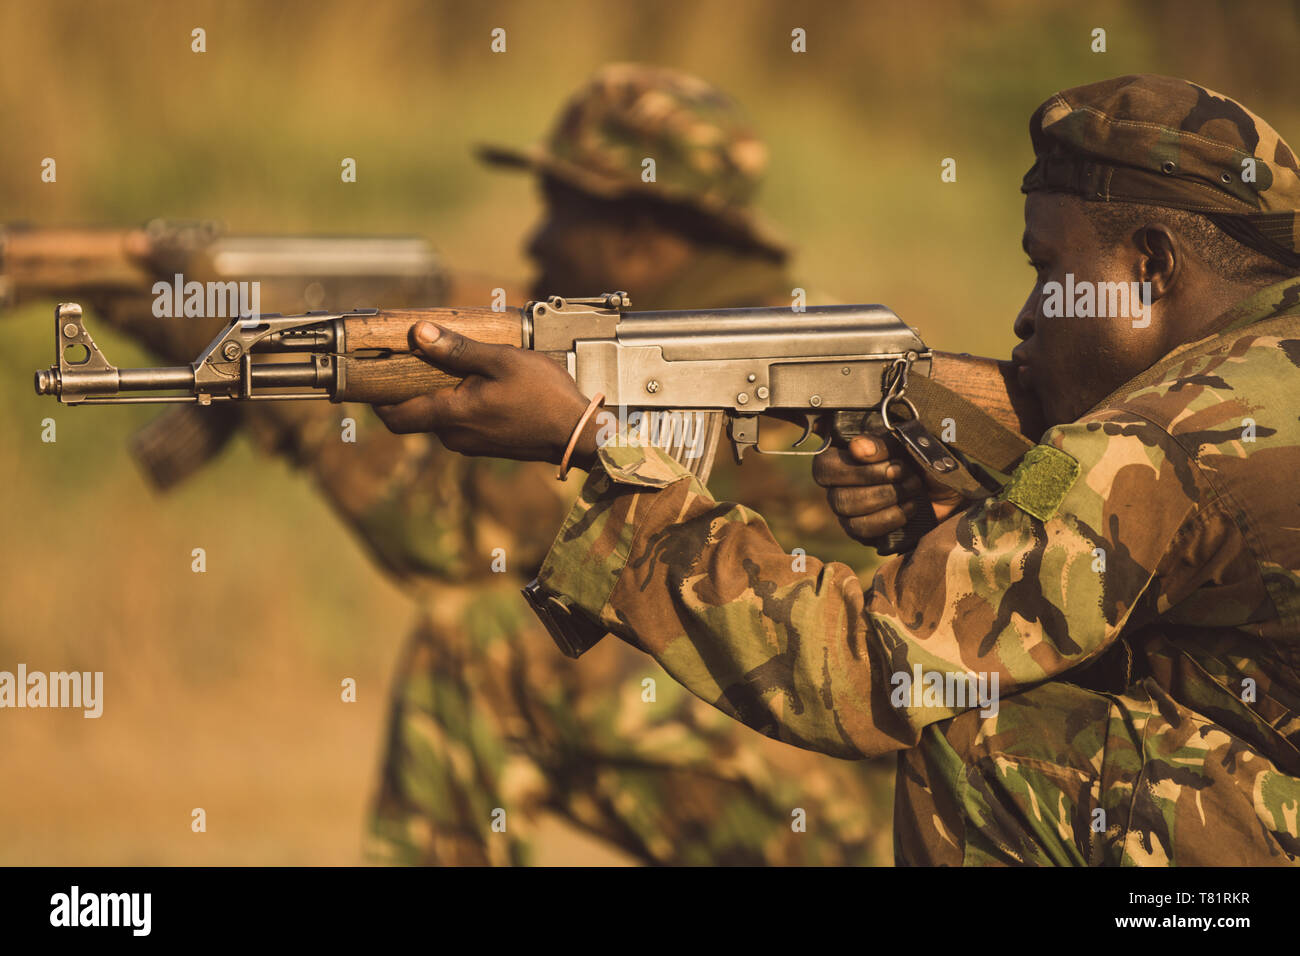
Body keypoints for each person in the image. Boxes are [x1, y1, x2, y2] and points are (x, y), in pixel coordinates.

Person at [374, 74, 1300, 865]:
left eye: (1048, 270)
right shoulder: (1267, 364)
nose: (1026, 319)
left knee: (990, 745)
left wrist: (592, 452)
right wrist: (981, 497)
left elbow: (860, 671)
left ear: (1149, 266)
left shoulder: (1166, 435)